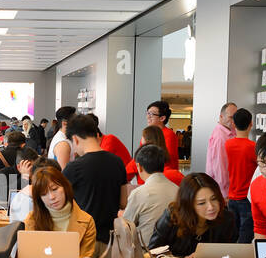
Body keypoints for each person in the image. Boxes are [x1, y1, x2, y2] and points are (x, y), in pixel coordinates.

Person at [62, 113, 129, 248]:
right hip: (110, 240)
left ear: (75, 139)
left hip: (83, 238)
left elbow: (62, 205)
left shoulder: (74, 168)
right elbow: (123, 202)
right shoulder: (118, 162)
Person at [122, 144, 179, 246]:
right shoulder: (178, 190)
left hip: (146, 253)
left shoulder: (139, 193)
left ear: (139, 167)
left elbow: (125, 228)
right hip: (173, 252)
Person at [223, 107, 256, 244]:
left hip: (231, 196)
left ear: (234, 124)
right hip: (247, 198)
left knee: (232, 233)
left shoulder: (227, 144)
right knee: (245, 235)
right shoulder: (253, 147)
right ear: (251, 124)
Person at [205, 102, 237, 194]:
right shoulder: (220, 137)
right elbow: (219, 166)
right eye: (231, 117)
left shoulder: (231, 132)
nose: (234, 120)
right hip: (221, 189)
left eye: (235, 117)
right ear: (221, 117)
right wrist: (224, 192)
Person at [8, 148, 42, 223]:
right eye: (29, 166)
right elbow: (4, 194)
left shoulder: (38, 174)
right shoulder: (5, 173)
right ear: (19, 167)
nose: (33, 170)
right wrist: (24, 177)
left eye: (34, 167)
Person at [145, 100, 181, 170]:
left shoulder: (169, 134)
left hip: (163, 177)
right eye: (147, 113)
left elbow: (167, 160)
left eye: (151, 114)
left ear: (162, 118)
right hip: (148, 176)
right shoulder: (147, 133)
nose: (148, 117)